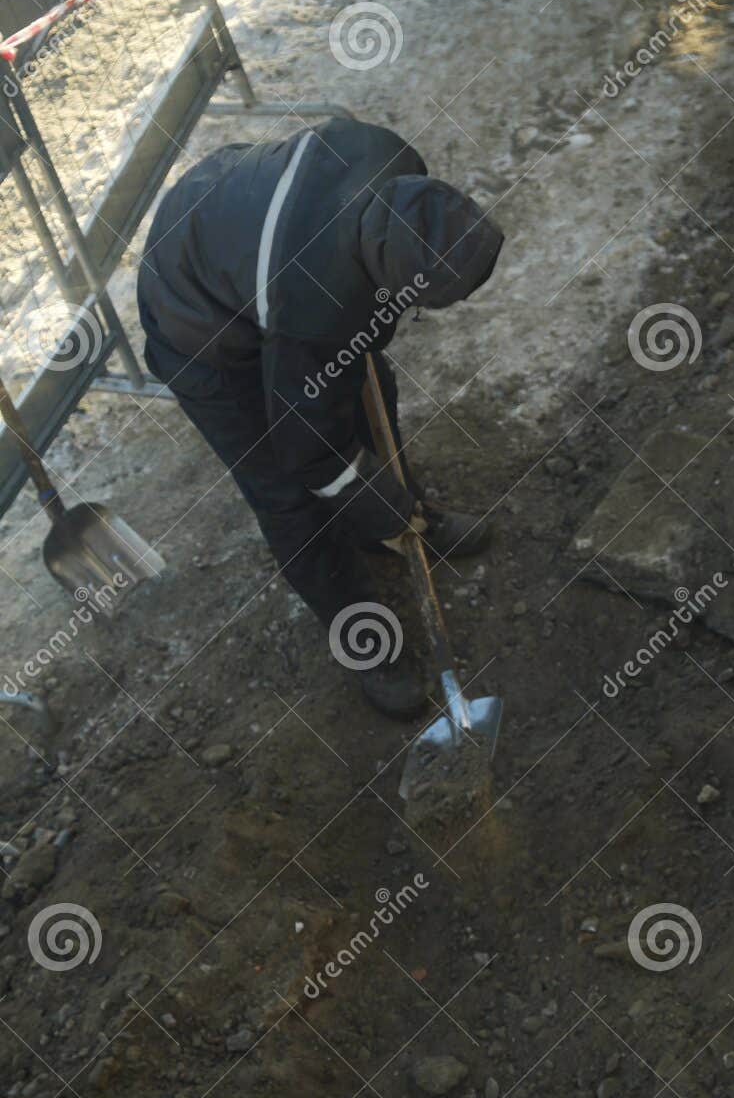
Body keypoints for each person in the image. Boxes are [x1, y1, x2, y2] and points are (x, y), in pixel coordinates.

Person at [137, 115, 503, 721]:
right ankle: (365, 639)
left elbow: (347, 352)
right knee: (285, 489)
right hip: (197, 321)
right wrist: (357, 486)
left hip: (240, 236)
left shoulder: (392, 160)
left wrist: (382, 497)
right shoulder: (314, 300)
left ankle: (401, 522)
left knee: (371, 386)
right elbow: (309, 448)